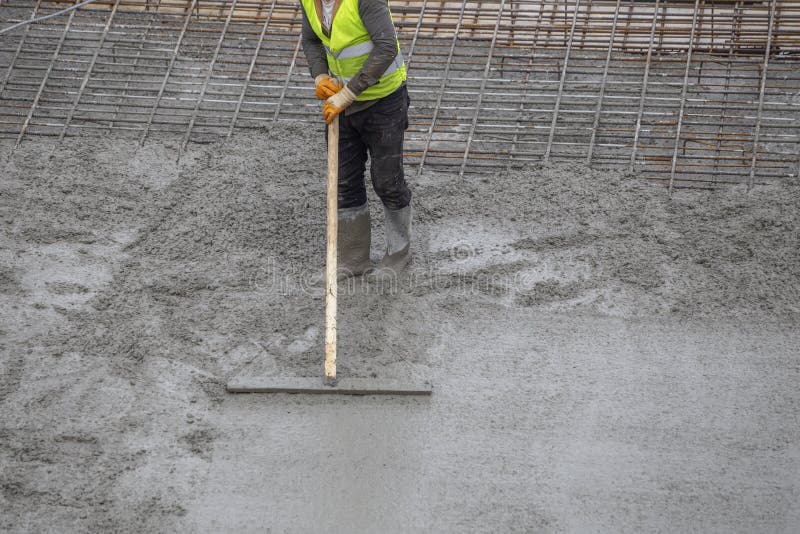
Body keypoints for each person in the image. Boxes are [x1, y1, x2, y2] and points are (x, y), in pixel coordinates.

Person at [300, 0, 412, 281]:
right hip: (342, 103)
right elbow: (311, 40)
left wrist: (348, 93)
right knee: (344, 179)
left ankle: (398, 253)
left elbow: (387, 47)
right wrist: (320, 76)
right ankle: (353, 258)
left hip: (383, 101)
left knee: (387, 181)